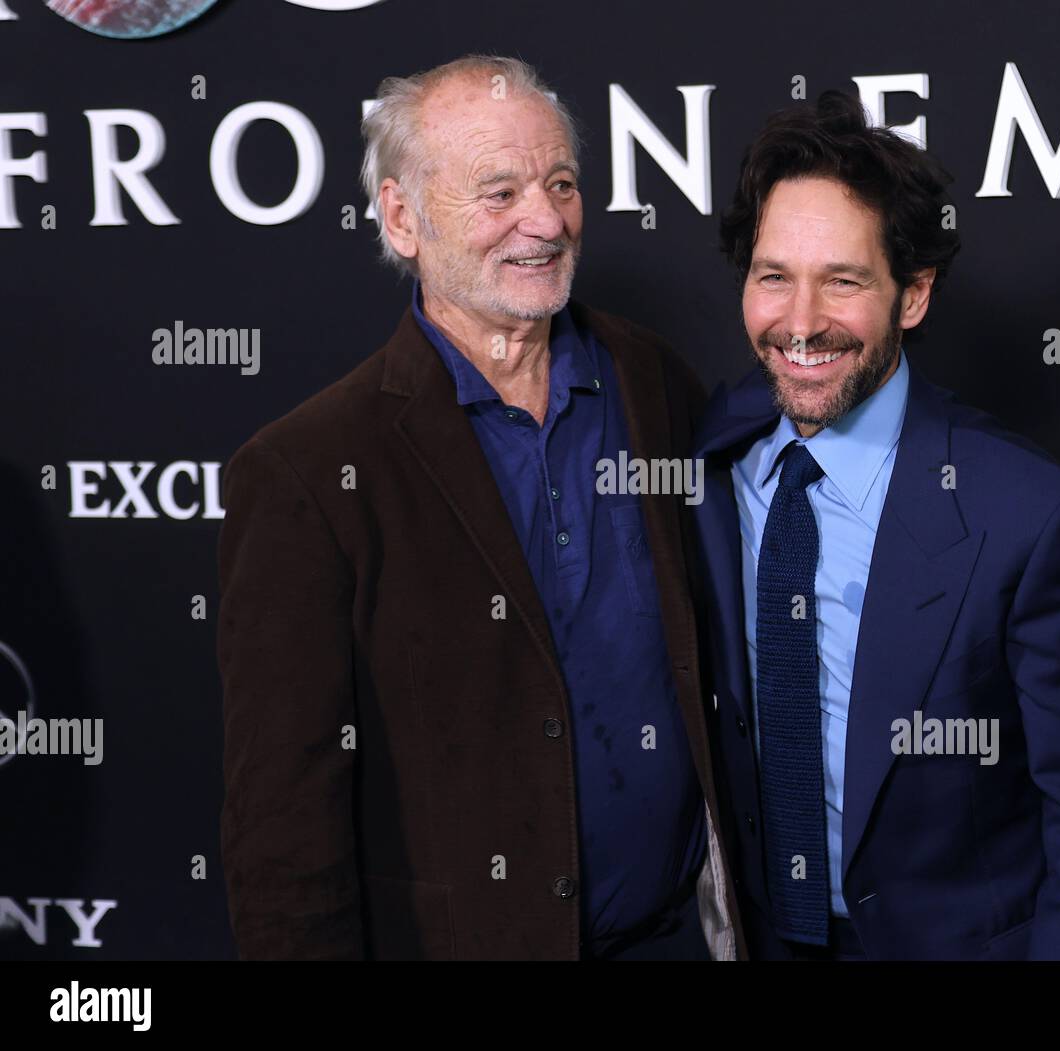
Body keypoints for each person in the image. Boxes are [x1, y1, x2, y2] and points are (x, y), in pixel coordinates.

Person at [217, 55, 739, 960]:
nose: (545, 221)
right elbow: (283, 824)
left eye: (562, 183)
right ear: (402, 217)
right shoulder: (308, 471)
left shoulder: (651, 380)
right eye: (499, 193)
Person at [693, 89, 1060, 960]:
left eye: (843, 279)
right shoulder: (709, 462)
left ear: (912, 295)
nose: (800, 322)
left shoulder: (1028, 516)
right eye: (773, 277)